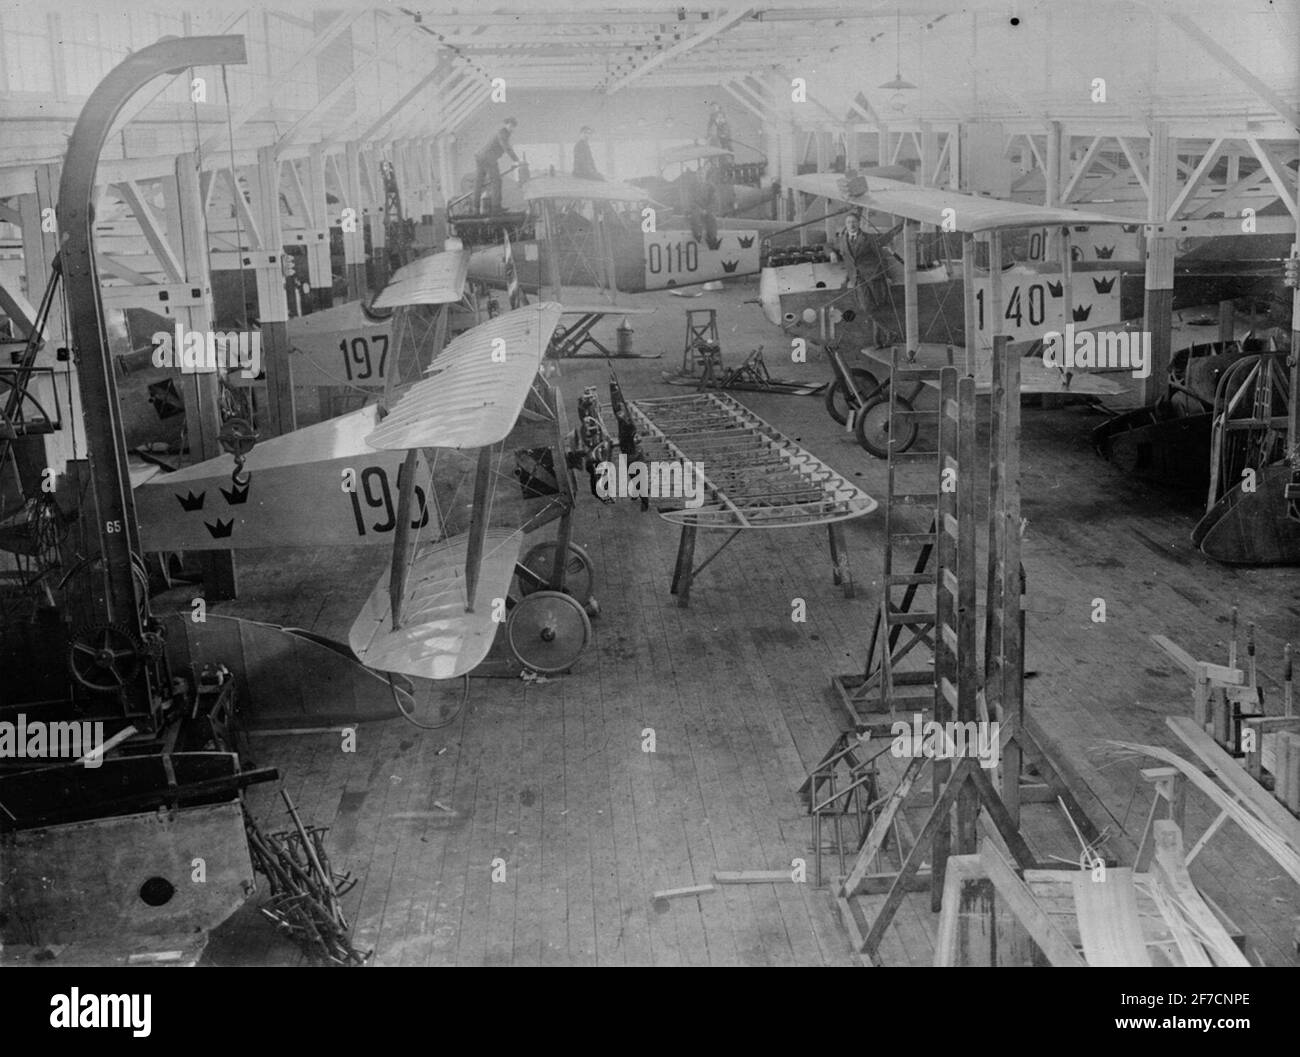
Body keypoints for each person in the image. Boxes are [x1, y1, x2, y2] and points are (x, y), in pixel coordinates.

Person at [839, 210, 904, 347]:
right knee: (867, 308)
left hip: (874, 277)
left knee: (876, 307)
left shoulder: (868, 238)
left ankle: (878, 341)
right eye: (849, 222)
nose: (852, 225)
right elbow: (829, 247)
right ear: (845, 224)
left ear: (859, 223)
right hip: (857, 279)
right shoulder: (842, 240)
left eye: (854, 222)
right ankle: (889, 333)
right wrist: (831, 253)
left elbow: (881, 256)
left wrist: (887, 276)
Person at [473, 117, 519, 213]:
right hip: (489, 158)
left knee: (479, 183)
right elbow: (506, 147)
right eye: (511, 126)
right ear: (506, 124)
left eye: (513, 126)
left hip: (480, 157)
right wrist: (516, 160)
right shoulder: (503, 133)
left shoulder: (500, 132)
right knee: (496, 181)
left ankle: (475, 208)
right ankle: (496, 207)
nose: (512, 128)